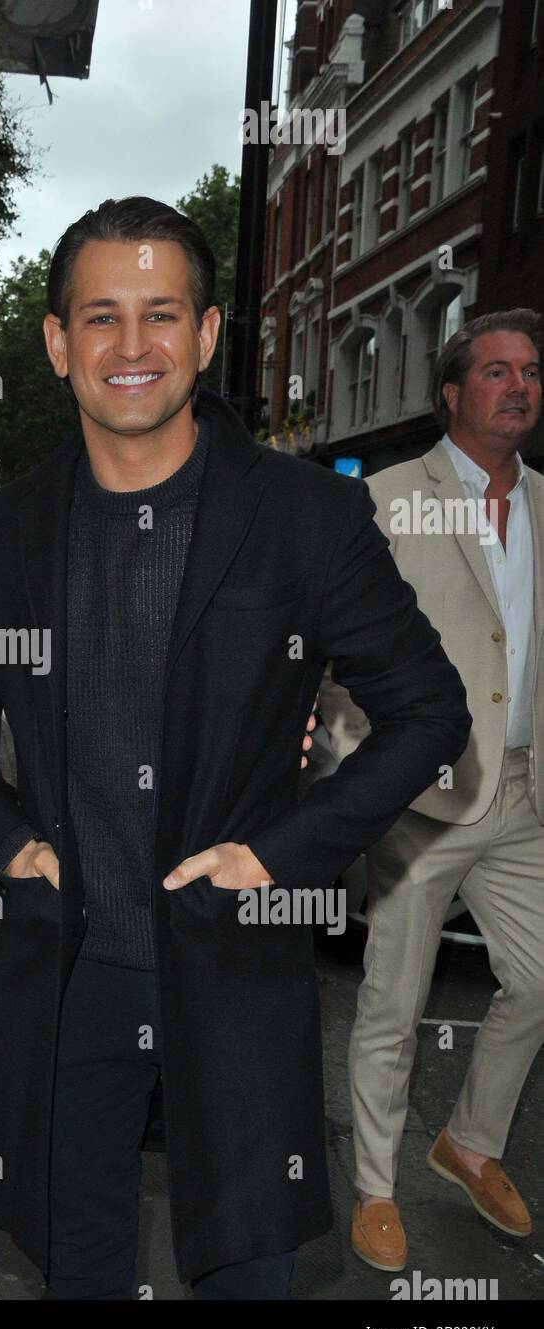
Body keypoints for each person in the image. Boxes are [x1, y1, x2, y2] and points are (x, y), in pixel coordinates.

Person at [0, 196, 472, 1300]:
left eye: (159, 314)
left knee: (244, 1276)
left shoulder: (297, 519)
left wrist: (276, 856)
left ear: (206, 333)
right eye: (99, 317)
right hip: (67, 984)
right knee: (73, 1274)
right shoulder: (4, 531)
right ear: (55, 343)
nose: (130, 347)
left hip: (231, 975)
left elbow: (428, 711)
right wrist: (7, 846)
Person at [319, 309, 544, 1273]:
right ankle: (375, 1186)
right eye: (496, 371)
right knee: (392, 1004)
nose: (519, 386)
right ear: (452, 393)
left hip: (527, 794)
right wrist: (356, 772)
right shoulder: (387, 499)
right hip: (424, 793)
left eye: (532, 371)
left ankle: (470, 1144)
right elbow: (335, 659)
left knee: (538, 980)